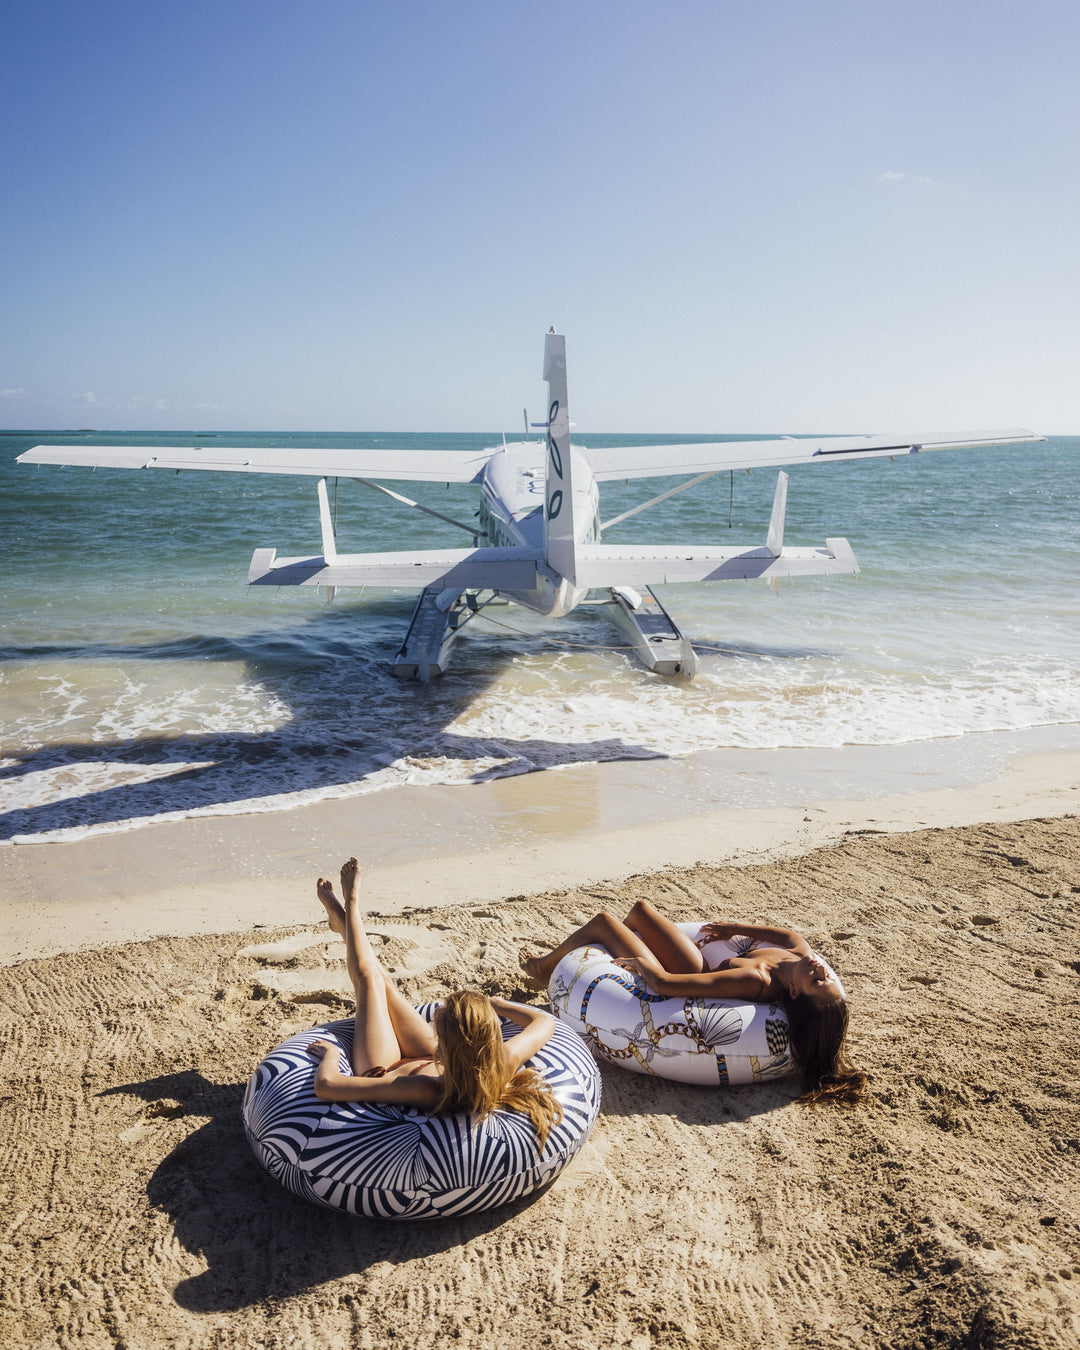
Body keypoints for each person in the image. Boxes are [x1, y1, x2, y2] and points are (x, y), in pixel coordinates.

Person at [307, 858, 563, 1150]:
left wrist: (331, 1054)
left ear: (445, 1045)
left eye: (439, 1021)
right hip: (430, 1060)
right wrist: (496, 1004)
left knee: (369, 979)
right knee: (383, 982)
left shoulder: (426, 1089)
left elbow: (326, 1086)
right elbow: (544, 1021)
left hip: (384, 1065)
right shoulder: (501, 1061)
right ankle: (343, 925)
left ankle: (351, 908)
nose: (434, 1015)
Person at [519, 898, 866, 1106]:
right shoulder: (799, 955)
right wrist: (733, 928)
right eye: (827, 978)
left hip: (677, 985)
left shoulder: (756, 980)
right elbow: (791, 936)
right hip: (698, 968)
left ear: (794, 993)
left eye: (818, 981)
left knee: (604, 923)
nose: (822, 970)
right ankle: (613, 946)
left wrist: (640, 965)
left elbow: (665, 984)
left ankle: (543, 969)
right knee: (640, 910)